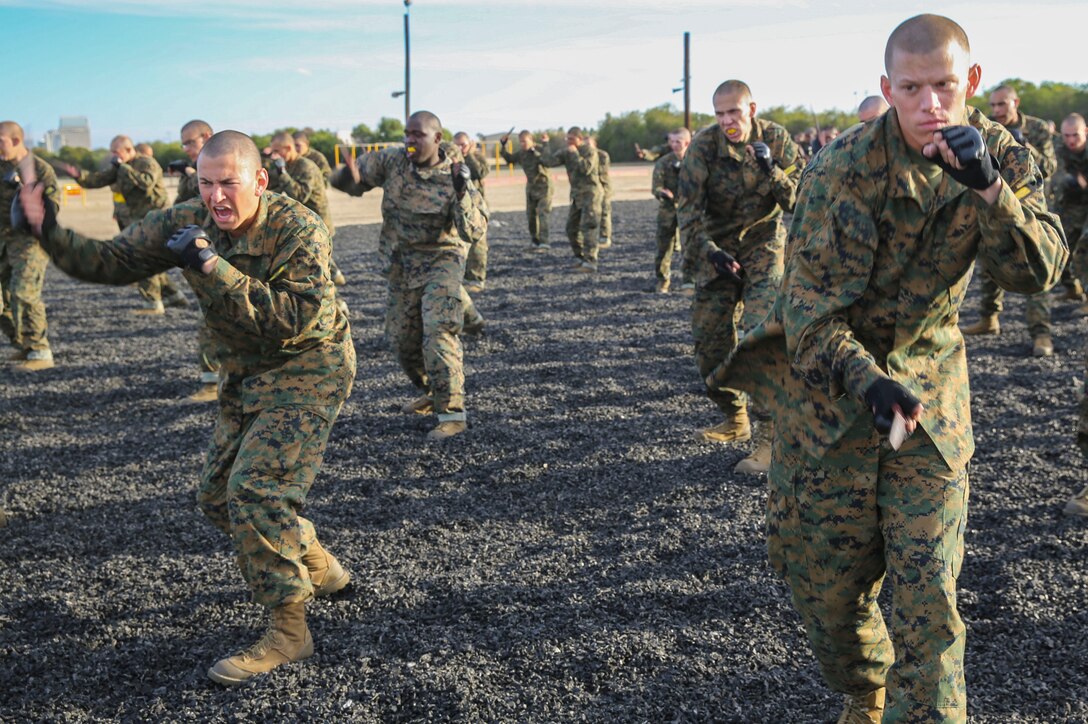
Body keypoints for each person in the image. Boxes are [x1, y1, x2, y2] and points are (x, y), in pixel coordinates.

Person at [709, 15, 1066, 721]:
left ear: (970, 82)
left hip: (930, 402)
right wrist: (866, 379)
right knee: (827, 598)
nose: (929, 103)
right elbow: (807, 315)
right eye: (911, 87)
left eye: (942, 85)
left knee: (929, 597)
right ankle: (865, 686)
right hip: (832, 405)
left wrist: (992, 192)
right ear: (887, 88)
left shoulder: (1001, 158)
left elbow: (1040, 273)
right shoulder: (839, 170)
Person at [14, 129, 356, 686]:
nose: (216, 196)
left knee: (255, 492)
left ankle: (291, 633)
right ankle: (319, 566)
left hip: (308, 366)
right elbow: (110, 261)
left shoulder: (297, 227)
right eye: (205, 183)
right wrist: (45, 228)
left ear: (259, 180)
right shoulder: (185, 220)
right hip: (245, 371)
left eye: (229, 183)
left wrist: (210, 267)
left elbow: (299, 320)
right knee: (217, 498)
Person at [332, 111, 488, 440]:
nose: (410, 140)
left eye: (417, 135)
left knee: (438, 331)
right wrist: (348, 174)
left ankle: (452, 413)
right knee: (402, 343)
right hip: (401, 263)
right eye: (407, 134)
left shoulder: (456, 173)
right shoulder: (393, 161)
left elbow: (473, 230)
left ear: (436, 138)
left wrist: (461, 193)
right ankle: (433, 390)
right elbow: (352, 182)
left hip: (442, 259)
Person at [676, 78, 802, 475]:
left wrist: (771, 170)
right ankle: (734, 417)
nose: (728, 120)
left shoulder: (776, 139)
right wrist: (709, 252)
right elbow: (688, 213)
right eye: (720, 114)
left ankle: (769, 440)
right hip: (718, 249)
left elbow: (800, 199)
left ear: (751, 108)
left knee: (759, 334)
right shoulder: (703, 147)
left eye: (734, 111)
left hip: (764, 244)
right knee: (709, 343)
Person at [960, 84, 1060, 356]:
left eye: (1001, 105)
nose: (996, 111)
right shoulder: (989, 131)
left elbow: (1050, 166)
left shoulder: (1037, 128)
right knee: (989, 260)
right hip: (994, 200)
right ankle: (989, 318)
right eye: (993, 106)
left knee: (1032, 259)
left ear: (1015, 103)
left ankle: (1041, 333)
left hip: (1027, 203)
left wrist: (1025, 145)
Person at [56, 135, 189, 314]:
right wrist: (78, 175)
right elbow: (98, 180)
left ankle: (153, 303)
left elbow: (146, 183)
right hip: (132, 220)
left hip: (154, 219)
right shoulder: (118, 166)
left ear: (128, 150)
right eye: (112, 152)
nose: (113, 155)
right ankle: (174, 296)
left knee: (139, 258)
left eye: (116, 151)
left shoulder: (146, 163)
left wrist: (123, 167)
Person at [171, 119, 225, 403]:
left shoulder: (225, 161)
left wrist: (194, 174)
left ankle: (212, 382)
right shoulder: (194, 172)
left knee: (214, 316)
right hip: (205, 250)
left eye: (190, 142)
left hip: (227, 253)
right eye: (183, 143)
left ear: (207, 136)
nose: (186, 148)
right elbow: (181, 208)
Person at [0, 121, 59, 371]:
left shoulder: (39, 169)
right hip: (3, 239)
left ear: (15, 140)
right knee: (4, 299)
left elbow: (52, 210)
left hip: (30, 241)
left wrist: (25, 190)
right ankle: (22, 344)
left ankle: (40, 350)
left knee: (24, 292)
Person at [266, 132, 347, 286]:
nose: (274, 155)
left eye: (277, 151)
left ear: (288, 148)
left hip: (318, 222)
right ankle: (335, 279)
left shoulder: (306, 166)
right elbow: (272, 189)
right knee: (315, 262)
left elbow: (299, 195)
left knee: (318, 267)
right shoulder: (287, 165)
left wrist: (283, 173)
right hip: (303, 223)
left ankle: (337, 299)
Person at [540, 127, 602, 273]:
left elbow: (585, 168)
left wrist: (574, 154)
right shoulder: (566, 152)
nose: (569, 142)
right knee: (571, 229)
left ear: (579, 139)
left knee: (588, 228)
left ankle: (590, 262)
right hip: (577, 196)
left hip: (591, 194)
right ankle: (580, 258)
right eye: (567, 139)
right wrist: (545, 144)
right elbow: (548, 161)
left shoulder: (589, 151)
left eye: (572, 139)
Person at [651, 128, 694, 294]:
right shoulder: (663, 162)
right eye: (672, 141)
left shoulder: (695, 161)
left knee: (690, 245)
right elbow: (656, 186)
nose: (674, 145)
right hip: (667, 211)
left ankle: (689, 281)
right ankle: (663, 280)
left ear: (687, 142)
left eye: (678, 141)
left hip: (689, 209)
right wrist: (661, 192)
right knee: (663, 246)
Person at [1054, 113, 1088, 308]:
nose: (1070, 140)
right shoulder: (1060, 149)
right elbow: (1053, 174)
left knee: (1085, 247)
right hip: (1071, 206)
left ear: (1085, 131)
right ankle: (1072, 289)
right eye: (1066, 136)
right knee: (1061, 247)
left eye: (1075, 135)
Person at [499, 129, 553, 250]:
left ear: (531, 141)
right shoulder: (521, 153)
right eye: (521, 142)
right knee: (531, 215)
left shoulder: (539, 149)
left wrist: (545, 144)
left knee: (542, 214)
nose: (522, 144)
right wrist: (503, 145)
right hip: (531, 187)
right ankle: (535, 241)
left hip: (544, 186)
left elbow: (548, 161)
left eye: (525, 141)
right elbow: (510, 159)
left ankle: (544, 242)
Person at [453, 132, 490, 293]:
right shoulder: (452, 160)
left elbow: (479, 172)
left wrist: (470, 156)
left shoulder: (477, 157)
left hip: (475, 206)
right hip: (457, 207)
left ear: (470, 144)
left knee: (477, 244)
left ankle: (476, 279)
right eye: (457, 145)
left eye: (464, 144)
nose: (461, 148)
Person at [588, 136, 614, 249]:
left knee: (604, 212)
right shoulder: (583, 156)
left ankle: (604, 237)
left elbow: (599, 171)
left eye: (589, 144)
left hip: (603, 187)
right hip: (591, 190)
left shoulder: (602, 155)